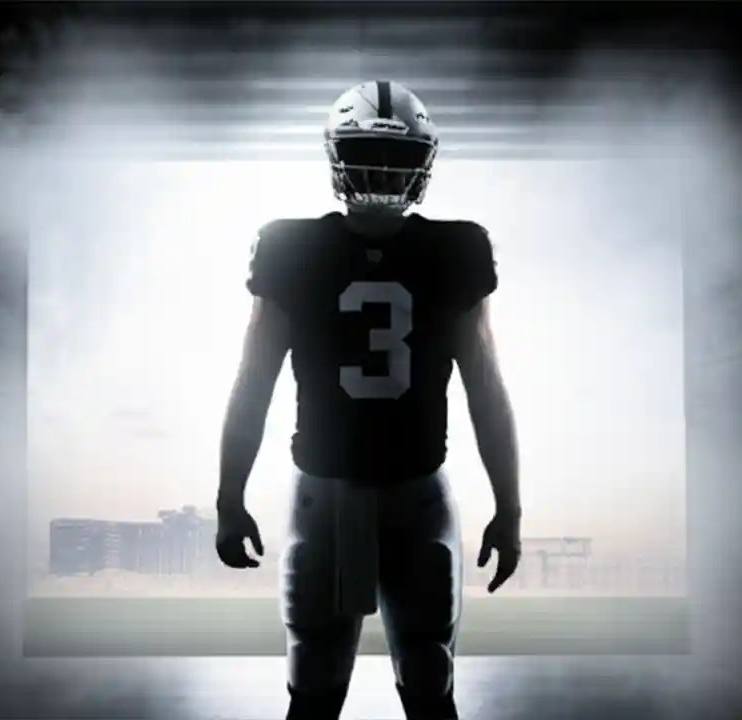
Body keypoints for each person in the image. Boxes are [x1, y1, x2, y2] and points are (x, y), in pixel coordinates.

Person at [215, 80, 522, 720]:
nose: (381, 171)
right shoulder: (452, 251)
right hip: (348, 493)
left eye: (397, 160)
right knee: (322, 680)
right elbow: (254, 380)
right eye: (366, 155)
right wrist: (508, 506)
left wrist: (230, 496)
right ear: (337, 157)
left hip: (387, 491)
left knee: (423, 676)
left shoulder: (295, 249)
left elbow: (485, 388)